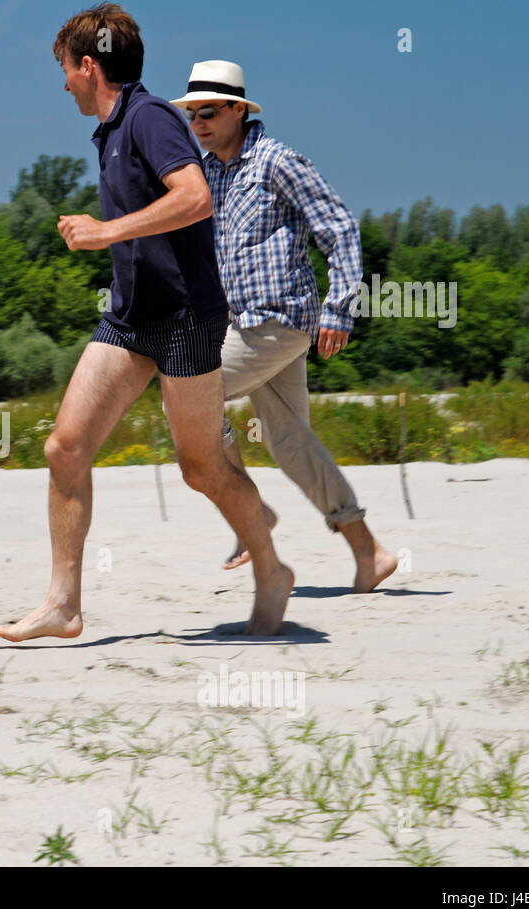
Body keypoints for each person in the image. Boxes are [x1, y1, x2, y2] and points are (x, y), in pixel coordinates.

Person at [0, 5, 292, 641]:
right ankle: (63, 605)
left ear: (88, 65)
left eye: (65, 70)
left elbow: (195, 197)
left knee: (200, 469)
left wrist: (106, 232)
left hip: (185, 318)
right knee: (64, 447)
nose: (63, 85)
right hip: (130, 318)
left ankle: (271, 569)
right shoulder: (110, 132)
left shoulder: (150, 117)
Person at [173, 60, 397, 592]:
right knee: (290, 442)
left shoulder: (277, 161)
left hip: (280, 319)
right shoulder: (207, 172)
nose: (197, 122)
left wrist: (340, 309)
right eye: (191, 114)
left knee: (188, 399)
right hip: (242, 323)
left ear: (237, 110)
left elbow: (339, 227)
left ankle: (248, 510)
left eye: (208, 112)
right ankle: (369, 551)